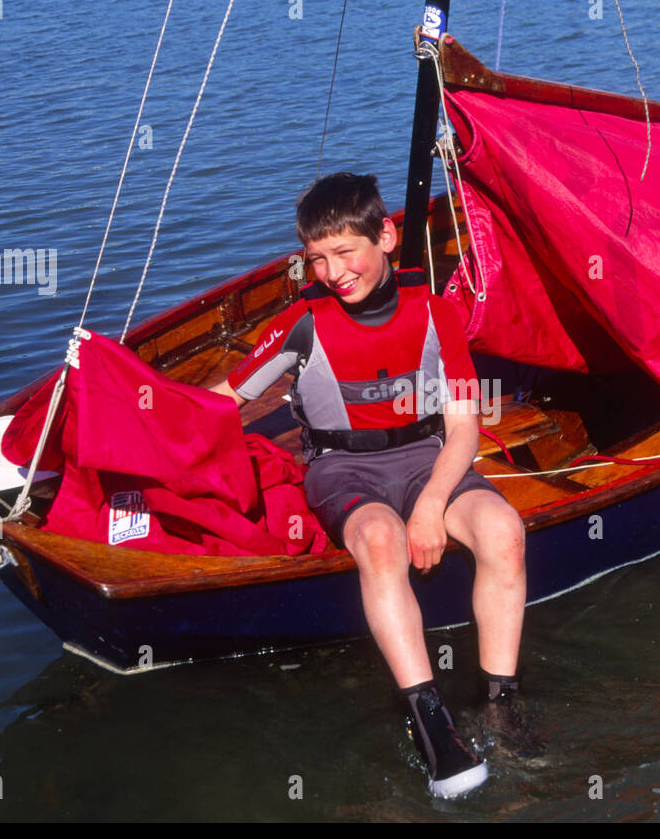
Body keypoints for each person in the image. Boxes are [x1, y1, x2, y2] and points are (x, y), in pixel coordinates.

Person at [206, 172, 527, 798]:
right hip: (341, 469)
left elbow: (464, 428)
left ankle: (502, 704)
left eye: (344, 252)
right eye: (315, 259)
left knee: (503, 531)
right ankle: (431, 720)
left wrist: (433, 506)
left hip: (429, 458)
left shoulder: (437, 312)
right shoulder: (304, 321)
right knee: (381, 541)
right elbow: (222, 400)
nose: (332, 271)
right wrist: (128, 408)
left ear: (385, 236)